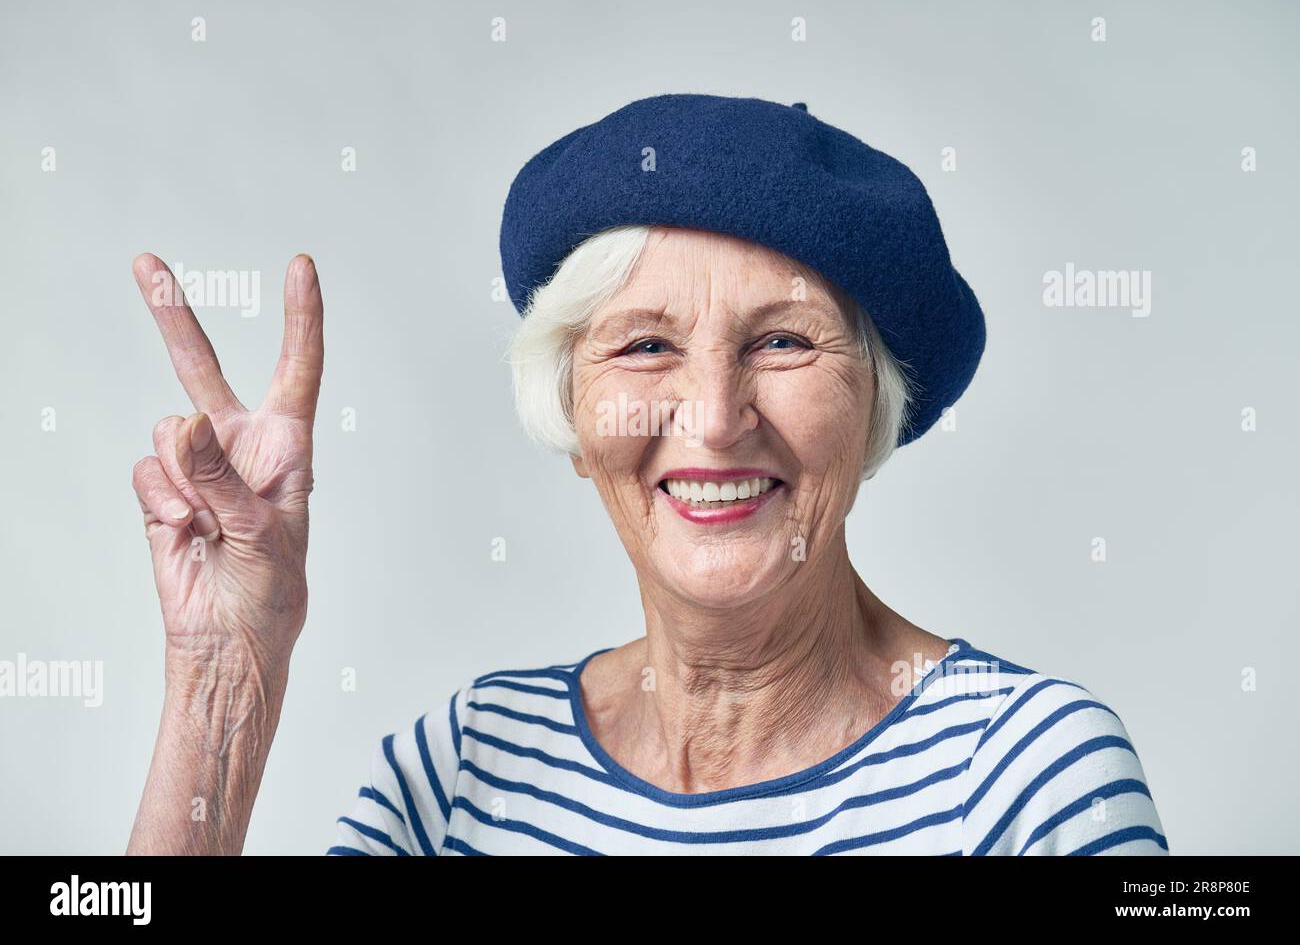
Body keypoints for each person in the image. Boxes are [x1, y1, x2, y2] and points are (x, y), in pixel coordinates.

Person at [127, 94, 1168, 856]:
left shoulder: (1029, 776)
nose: (712, 421)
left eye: (784, 344)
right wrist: (225, 681)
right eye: (644, 348)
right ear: (573, 419)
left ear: (873, 408)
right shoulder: (459, 766)